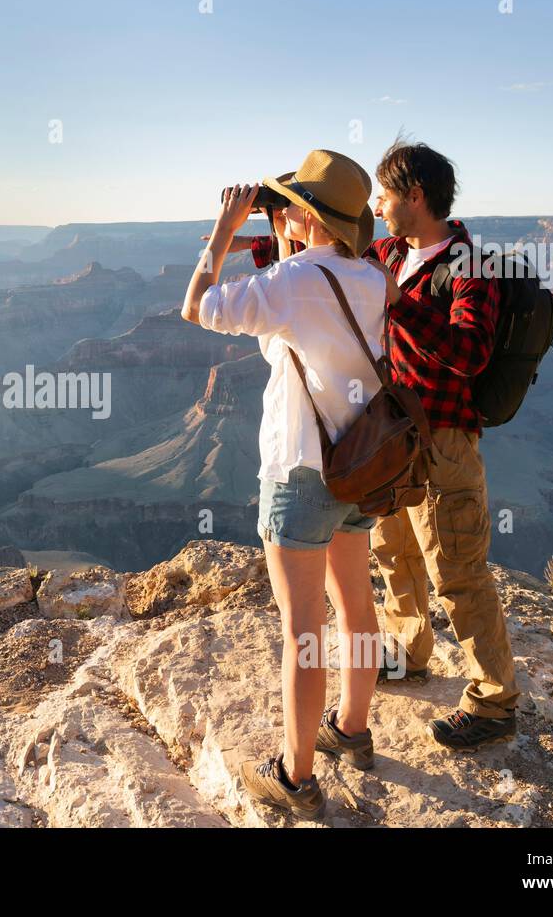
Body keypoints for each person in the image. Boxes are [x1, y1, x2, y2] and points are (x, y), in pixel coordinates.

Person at [181, 149, 386, 820]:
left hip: (300, 472)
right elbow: (299, 295)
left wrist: (220, 231)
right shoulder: (369, 273)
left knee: (303, 629)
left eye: (286, 202)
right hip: (359, 464)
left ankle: (295, 777)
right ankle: (351, 728)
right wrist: (266, 235)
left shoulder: (295, 279)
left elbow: (198, 306)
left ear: (308, 215)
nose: (278, 210)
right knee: (355, 608)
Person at [365, 138, 520, 750]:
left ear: (415, 196)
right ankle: (407, 652)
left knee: (456, 570)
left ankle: (495, 701)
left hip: (445, 441)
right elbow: (331, 252)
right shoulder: (388, 250)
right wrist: (260, 239)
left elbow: (468, 353)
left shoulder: (469, 267)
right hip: (393, 435)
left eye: (383, 194)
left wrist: (399, 301)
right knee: (394, 551)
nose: (376, 206)